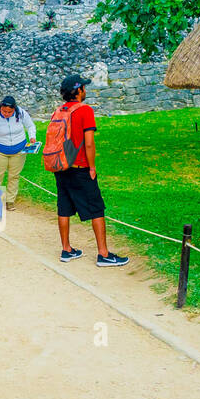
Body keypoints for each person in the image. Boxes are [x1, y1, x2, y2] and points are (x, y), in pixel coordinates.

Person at [52, 75, 129, 267]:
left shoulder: (59, 111)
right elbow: (89, 143)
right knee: (96, 208)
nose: (85, 91)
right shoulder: (85, 110)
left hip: (61, 166)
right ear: (78, 91)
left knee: (64, 207)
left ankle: (66, 249)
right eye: (84, 88)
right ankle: (103, 254)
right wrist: (92, 166)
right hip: (79, 167)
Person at [0, 94, 37, 210]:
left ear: (14, 109)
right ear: (0, 108)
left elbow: (30, 126)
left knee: (14, 176)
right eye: (4, 111)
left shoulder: (22, 113)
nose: (6, 114)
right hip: (0, 150)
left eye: (9, 112)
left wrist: (32, 137)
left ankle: (10, 201)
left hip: (19, 150)